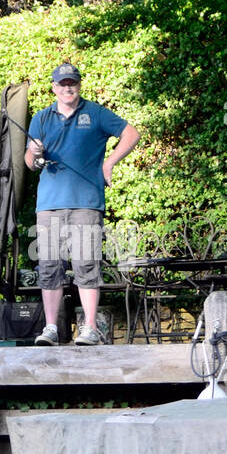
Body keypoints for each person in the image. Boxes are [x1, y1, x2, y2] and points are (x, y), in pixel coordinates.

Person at [25, 63, 140, 345]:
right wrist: (35, 152)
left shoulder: (95, 113)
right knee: (49, 266)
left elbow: (132, 133)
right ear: (54, 87)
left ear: (79, 85)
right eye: (62, 83)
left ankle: (89, 328)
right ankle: (51, 328)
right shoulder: (40, 118)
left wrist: (109, 162)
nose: (68, 88)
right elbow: (30, 163)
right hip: (49, 206)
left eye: (72, 83)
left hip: (86, 204)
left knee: (86, 265)